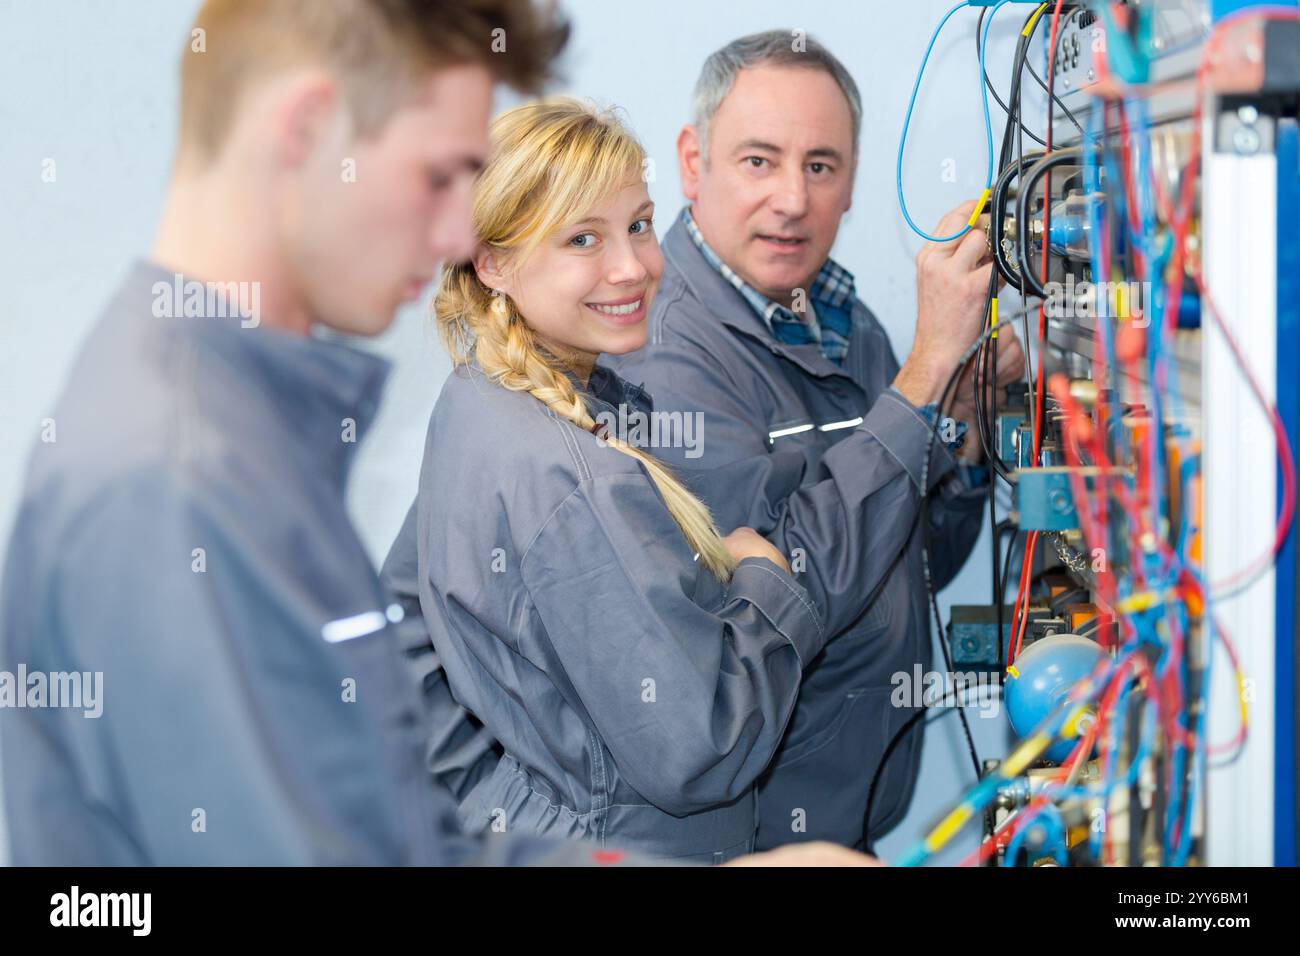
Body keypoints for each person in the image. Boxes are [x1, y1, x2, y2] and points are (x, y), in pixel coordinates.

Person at [0, 0, 869, 868]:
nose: (461, 235)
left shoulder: (234, 434)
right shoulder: (178, 478)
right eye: (437, 175)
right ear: (303, 131)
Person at [381, 97, 878, 863]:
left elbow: (408, 634)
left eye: (639, 225)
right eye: (583, 239)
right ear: (494, 263)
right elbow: (703, 750)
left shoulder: (477, 400)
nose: (633, 267)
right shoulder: (574, 475)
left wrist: (492, 809)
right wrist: (764, 583)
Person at [606, 30, 1025, 850]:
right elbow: (776, 588)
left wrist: (963, 422)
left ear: (851, 183)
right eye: (759, 161)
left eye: (821, 165)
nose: (793, 199)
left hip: (849, 823)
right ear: (692, 163)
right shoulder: (663, 350)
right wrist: (927, 369)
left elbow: (909, 552)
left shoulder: (840, 318)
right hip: (758, 843)